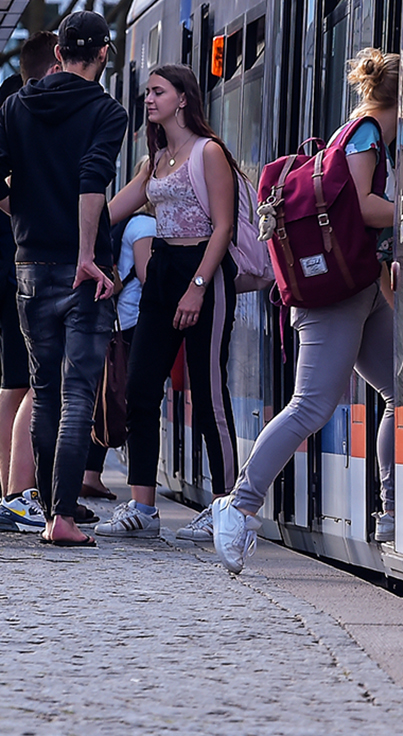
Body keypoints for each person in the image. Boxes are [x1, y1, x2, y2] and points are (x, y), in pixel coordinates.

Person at [213, 49, 400, 573]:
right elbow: (364, 206)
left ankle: (390, 514)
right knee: (310, 407)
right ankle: (239, 504)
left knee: (400, 392)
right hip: (333, 295)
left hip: (357, 287)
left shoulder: (358, 133)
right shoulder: (365, 135)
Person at [0, 12, 128, 546]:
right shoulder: (107, 111)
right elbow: (91, 179)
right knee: (77, 394)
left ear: (58, 55)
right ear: (101, 55)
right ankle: (62, 519)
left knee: (45, 389)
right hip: (83, 269)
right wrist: (82, 253)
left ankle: (49, 509)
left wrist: (24, 217)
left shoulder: (15, 106)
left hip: (29, 266)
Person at [98, 66, 240, 541]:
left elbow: (224, 226)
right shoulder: (154, 159)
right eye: (147, 92)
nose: (149, 99)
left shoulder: (209, 152)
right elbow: (109, 212)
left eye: (158, 92)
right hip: (161, 270)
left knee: (208, 391)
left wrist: (198, 286)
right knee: (139, 388)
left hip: (203, 270)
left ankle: (227, 507)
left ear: (183, 99)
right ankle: (143, 508)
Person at [0, 32, 67, 533]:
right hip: (19, 262)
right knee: (27, 381)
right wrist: (30, 218)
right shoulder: (21, 113)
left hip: (15, 260)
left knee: (18, 381)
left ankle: (15, 492)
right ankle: (18, 493)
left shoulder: (12, 107)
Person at [81, 204, 156, 504]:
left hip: (116, 323)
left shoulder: (123, 224)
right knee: (129, 399)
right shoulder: (145, 227)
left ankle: (90, 474)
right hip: (134, 323)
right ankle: (106, 479)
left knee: (107, 395)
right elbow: (147, 276)